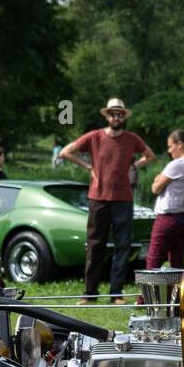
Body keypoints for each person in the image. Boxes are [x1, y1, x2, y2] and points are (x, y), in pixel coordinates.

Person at [59, 98, 154, 305]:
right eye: (113, 113)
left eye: (120, 114)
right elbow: (65, 152)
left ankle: (116, 293)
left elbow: (149, 155)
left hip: (123, 200)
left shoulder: (131, 139)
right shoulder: (94, 137)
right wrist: (87, 167)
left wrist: (134, 166)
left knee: (122, 246)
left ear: (124, 116)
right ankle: (89, 293)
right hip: (98, 198)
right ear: (107, 116)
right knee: (95, 246)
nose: (116, 117)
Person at [145, 128, 184, 270]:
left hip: (168, 218)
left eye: (171, 146)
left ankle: (149, 292)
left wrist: (157, 179)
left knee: (154, 259)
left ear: (180, 145)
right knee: (177, 258)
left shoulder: (177, 164)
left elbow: (155, 188)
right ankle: (179, 290)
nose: (169, 151)